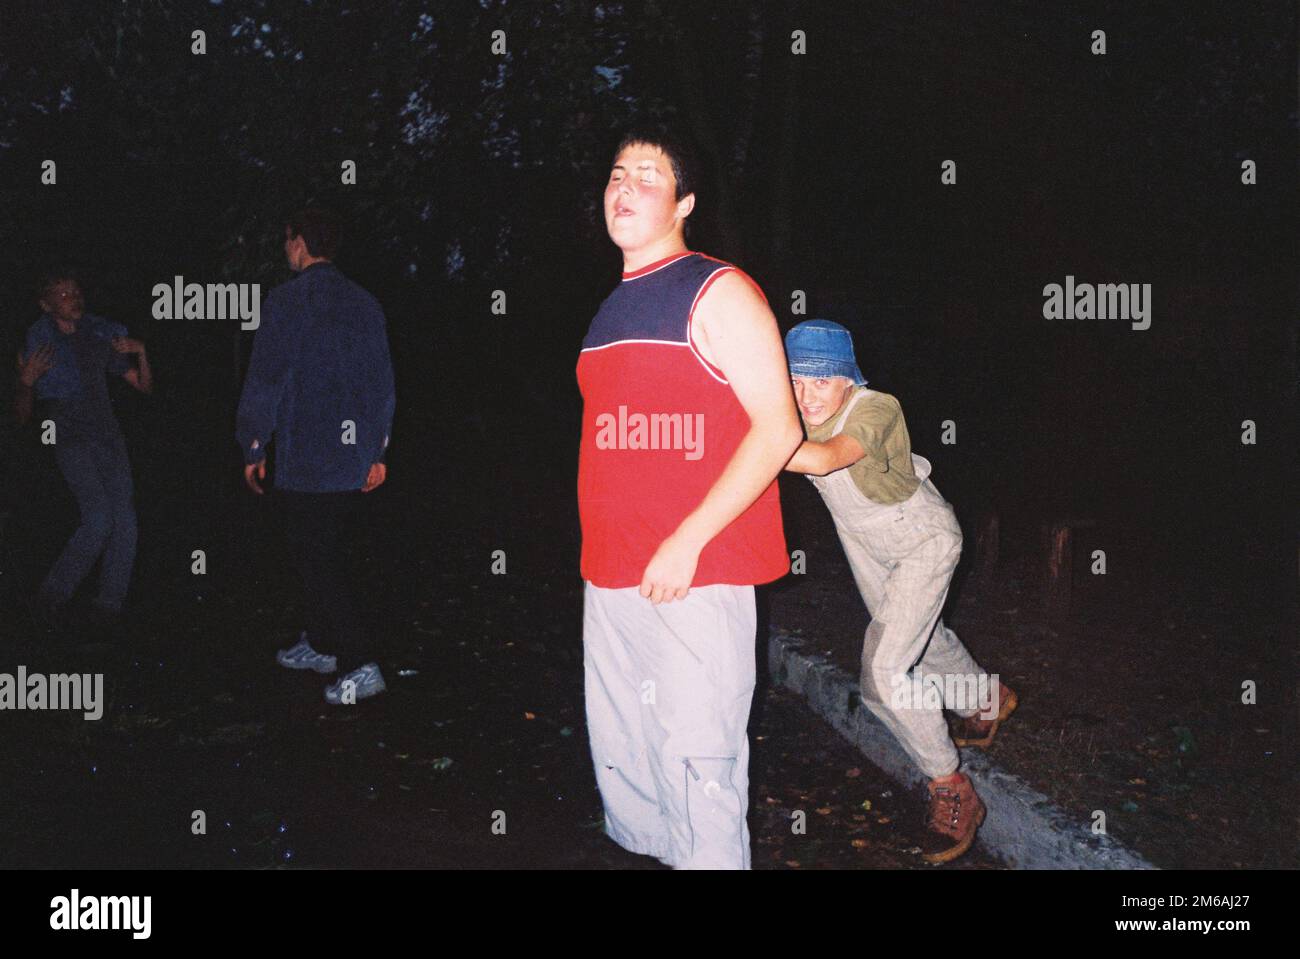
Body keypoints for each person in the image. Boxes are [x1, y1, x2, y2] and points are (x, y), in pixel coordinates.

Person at [576, 129, 802, 869]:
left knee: (699, 768)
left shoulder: (717, 289)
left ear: (685, 203)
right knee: (634, 767)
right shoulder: (610, 310)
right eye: (617, 174)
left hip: (694, 574)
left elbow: (778, 428)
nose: (625, 187)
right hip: (612, 577)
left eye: (648, 175)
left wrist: (687, 539)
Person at [782, 318, 1017, 863]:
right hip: (866, 543)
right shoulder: (792, 411)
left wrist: (749, 442)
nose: (807, 395)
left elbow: (825, 457)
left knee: (884, 670)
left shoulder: (876, 408)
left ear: (848, 378)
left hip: (921, 537)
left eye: (821, 380)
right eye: (795, 380)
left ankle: (950, 785)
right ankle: (985, 699)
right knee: (922, 636)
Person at [236, 207, 395, 704]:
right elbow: (380, 383)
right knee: (319, 552)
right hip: (349, 453)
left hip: (308, 452)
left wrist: (254, 442)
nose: (286, 249)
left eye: (288, 240)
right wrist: (377, 451)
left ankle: (361, 665)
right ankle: (322, 644)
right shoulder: (364, 301)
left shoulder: (286, 301)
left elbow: (266, 378)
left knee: (318, 560)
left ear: (300, 242)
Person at [16, 269, 152, 633]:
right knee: (98, 518)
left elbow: (143, 386)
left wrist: (141, 352)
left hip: (107, 434)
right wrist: (25, 383)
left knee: (126, 521)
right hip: (69, 433)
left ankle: (108, 608)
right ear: (46, 305)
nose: (73, 298)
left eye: (75, 292)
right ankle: (49, 598)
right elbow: (21, 416)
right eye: (62, 295)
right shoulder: (38, 340)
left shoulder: (98, 331)